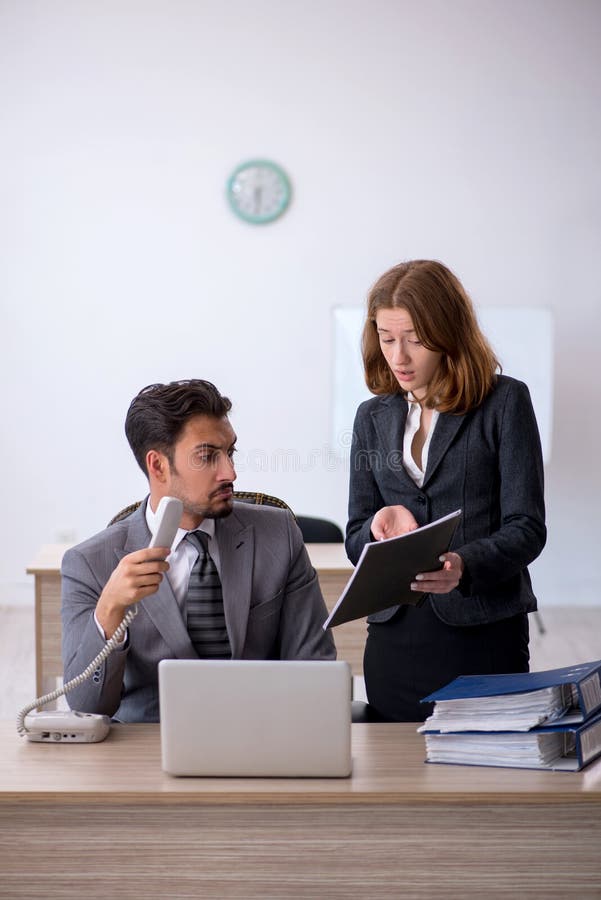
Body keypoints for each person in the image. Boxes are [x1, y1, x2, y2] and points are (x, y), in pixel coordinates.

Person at [61, 379, 335, 722]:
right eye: (207, 457)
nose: (230, 472)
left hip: (259, 738)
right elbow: (87, 707)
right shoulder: (89, 564)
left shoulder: (279, 535)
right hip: (147, 753)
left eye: (230, 453)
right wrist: (109, 611)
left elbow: (315, 668)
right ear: (158, 466)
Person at [346, 260, 546, 721]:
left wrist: (463, 564)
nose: (399, 356)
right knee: (395, 781)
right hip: (395, 639)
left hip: (482, 634)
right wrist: (375, 531)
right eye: (386, 338)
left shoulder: (505, 403)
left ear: (448, 331)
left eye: (415, 339)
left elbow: (528, 527)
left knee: (481, 783)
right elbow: (355, 533)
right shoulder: (371, 417)